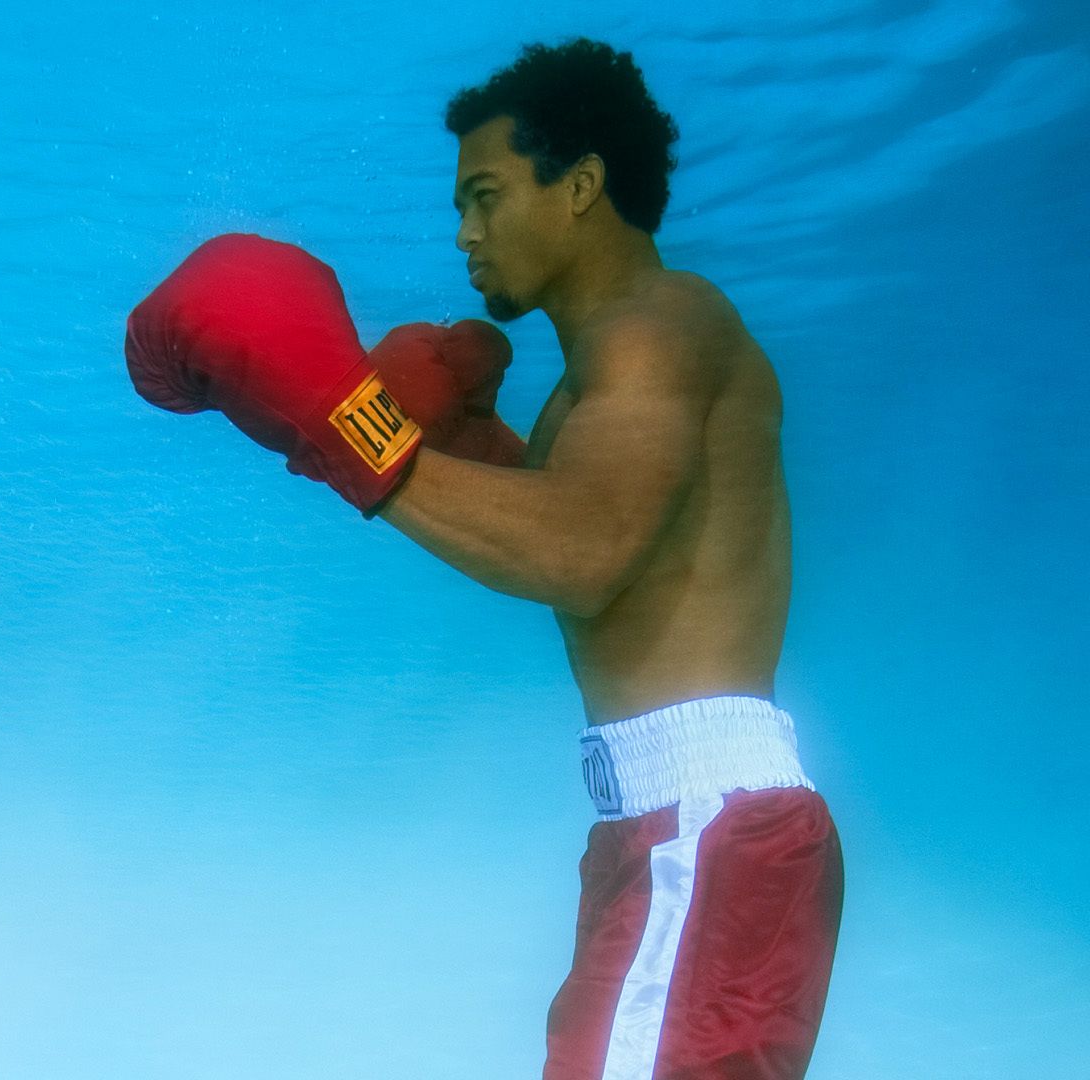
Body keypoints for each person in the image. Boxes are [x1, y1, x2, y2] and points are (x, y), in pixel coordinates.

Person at [126, 37, 843, 1080]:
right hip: (683, 832)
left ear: (581, 186)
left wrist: (351, 428)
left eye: (486, 196)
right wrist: (461, 446)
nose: (464, 231)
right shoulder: (617, 360)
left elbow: (581, 554)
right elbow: (609, 552)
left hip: (703, 833)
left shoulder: (656, 328)